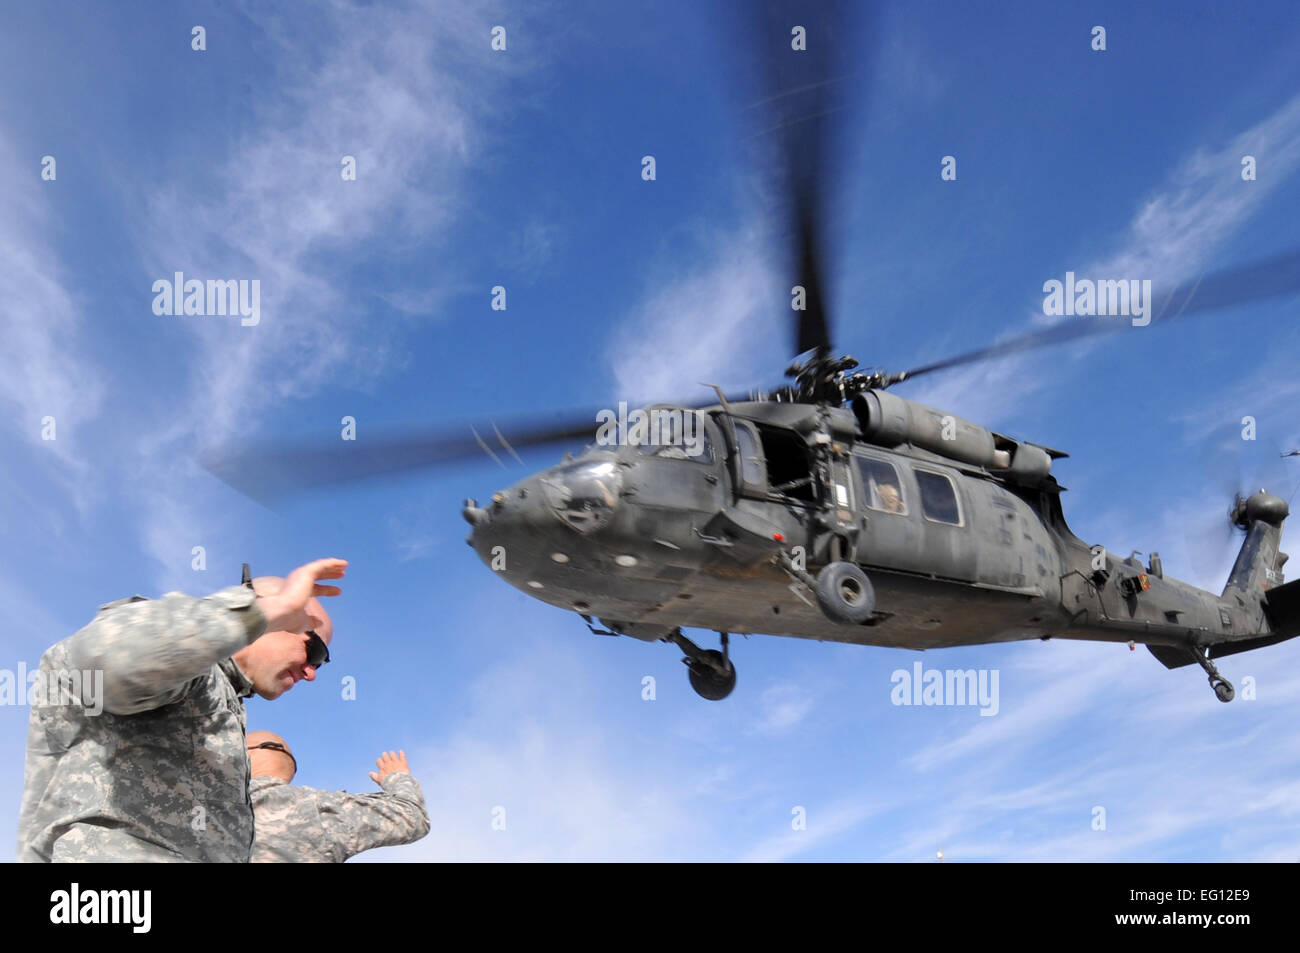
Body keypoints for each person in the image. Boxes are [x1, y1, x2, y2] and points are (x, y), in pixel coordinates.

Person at [17, 558, 347, 863]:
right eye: (314, 651)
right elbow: (113, 663)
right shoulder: (188, 668)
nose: (311, 673)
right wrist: (263, 610)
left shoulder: (225, 705)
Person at [249, 733, 430, 863]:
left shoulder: (223, 799)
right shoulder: (321, 808)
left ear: (255, 751)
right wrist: (397, 777)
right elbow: (411, 817)